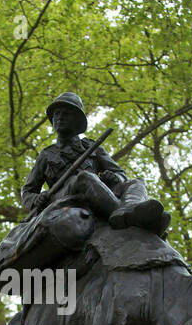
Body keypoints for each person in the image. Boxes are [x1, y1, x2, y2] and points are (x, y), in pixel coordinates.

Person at [21, 92, 170, 236]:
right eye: (56, 115)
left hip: (95, 191)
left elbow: (120, 174)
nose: (59, 118)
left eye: (65, 114)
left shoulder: (92, 147)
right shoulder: (46, 155)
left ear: (77, 120)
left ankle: (132, 209)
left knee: (137, 182)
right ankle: (123, 215)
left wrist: (115, 178)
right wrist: (36, 199)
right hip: (64, 198)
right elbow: (28, 191)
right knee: (84, 178)